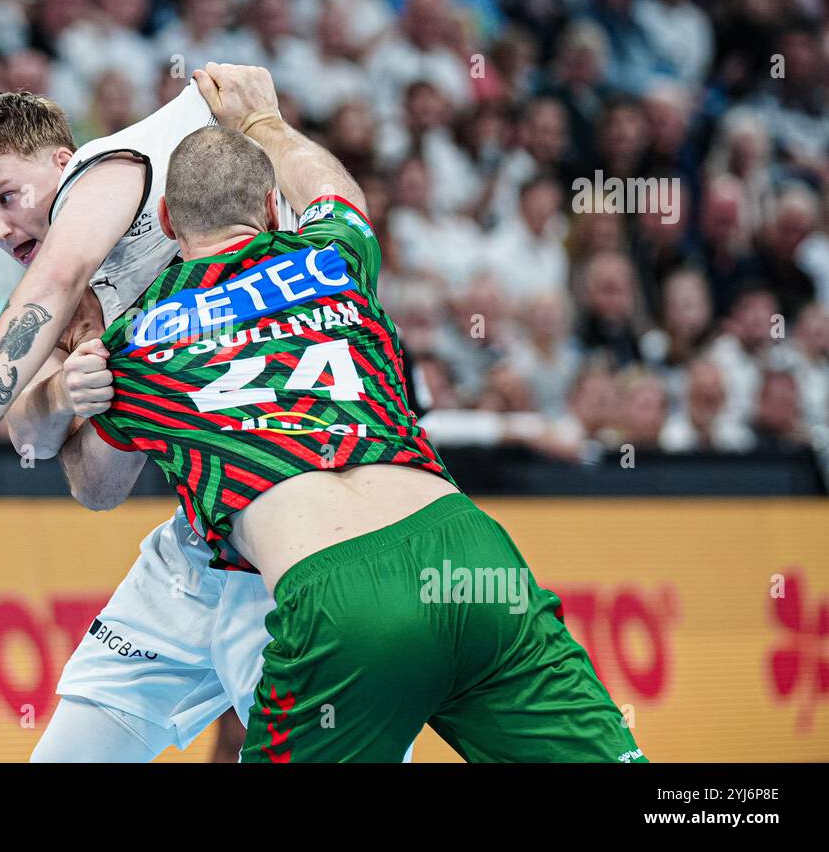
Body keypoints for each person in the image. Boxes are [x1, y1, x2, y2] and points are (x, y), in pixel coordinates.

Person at [62, 63, 646, 763]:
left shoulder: (140, 340)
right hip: (470, 557)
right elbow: (334, 187)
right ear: (274, 209)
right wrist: (264, 122)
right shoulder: (336, 255)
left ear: (164, 222)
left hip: (341, 596)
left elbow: (95, 489)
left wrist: (71, 385)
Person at [0, 80, 373, 763]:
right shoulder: (68, 307)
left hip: (299, 543)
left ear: (61, 164)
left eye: (5, 197)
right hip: (196, 554)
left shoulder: (107, 170)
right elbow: (78, 472)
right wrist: (68, 396)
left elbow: (56, 275)